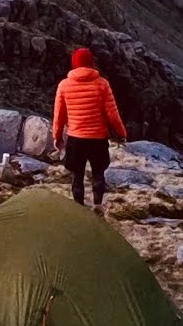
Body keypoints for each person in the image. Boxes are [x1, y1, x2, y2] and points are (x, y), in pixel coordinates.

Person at [52, 47, 127, 214]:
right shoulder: (102, 84)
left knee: (77, 176)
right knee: (98, 173)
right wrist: (122, 133)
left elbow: (59, 115)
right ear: (90, 63)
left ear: (74, 63)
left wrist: (56, 136)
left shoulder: (64, 85)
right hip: (98, 139)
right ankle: (98, 205)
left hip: (75, 139)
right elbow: (113, 114)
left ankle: (79, 211)